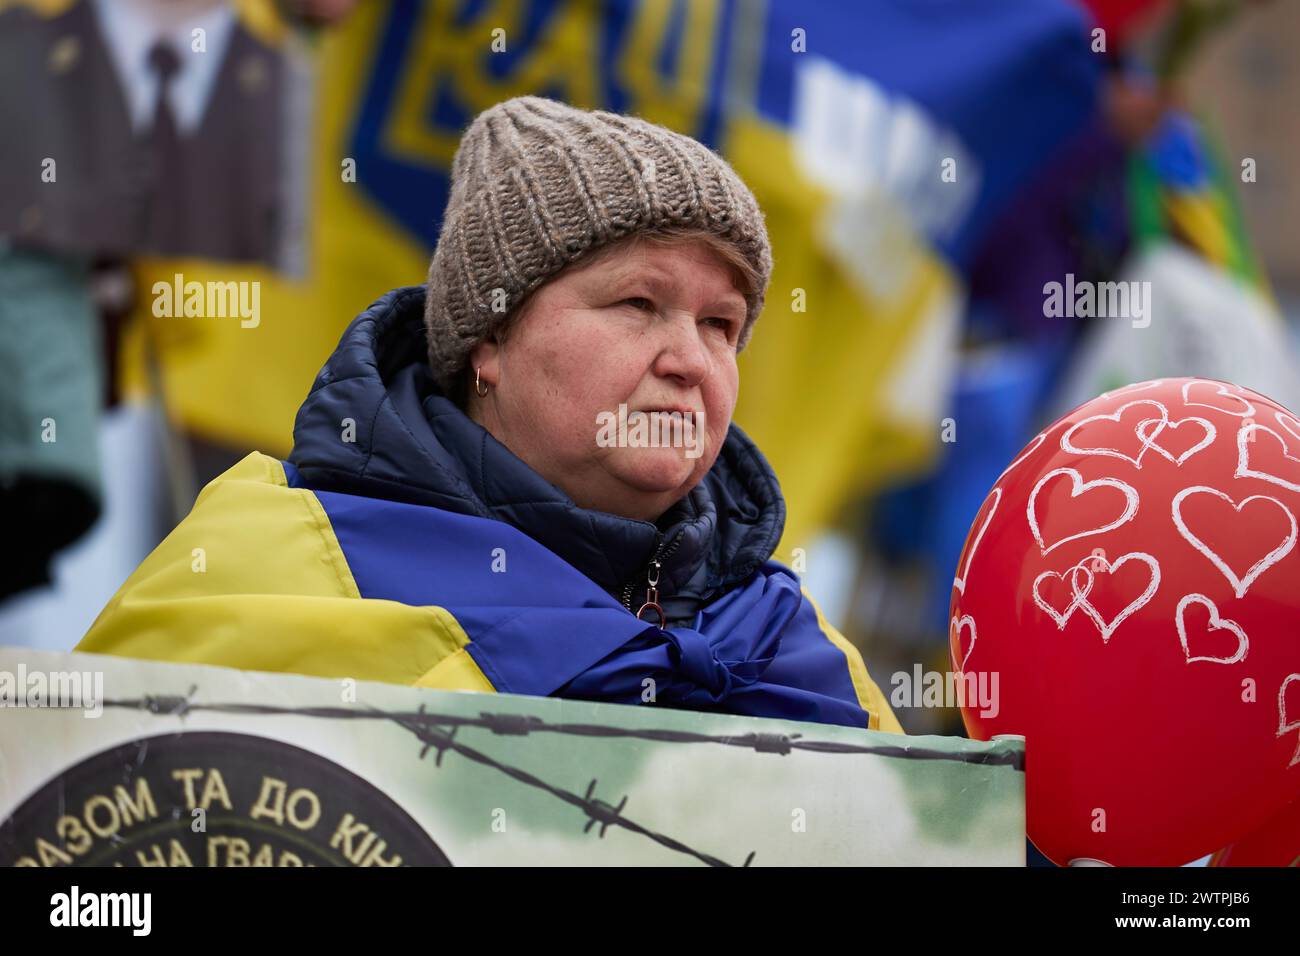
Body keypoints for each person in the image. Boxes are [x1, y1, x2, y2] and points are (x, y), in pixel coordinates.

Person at [77, 95, 903, 734]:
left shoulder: (805, 649)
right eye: (638, 301)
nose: (689, 360)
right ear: (489, 340)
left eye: (720, 323)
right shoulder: (260, 568)